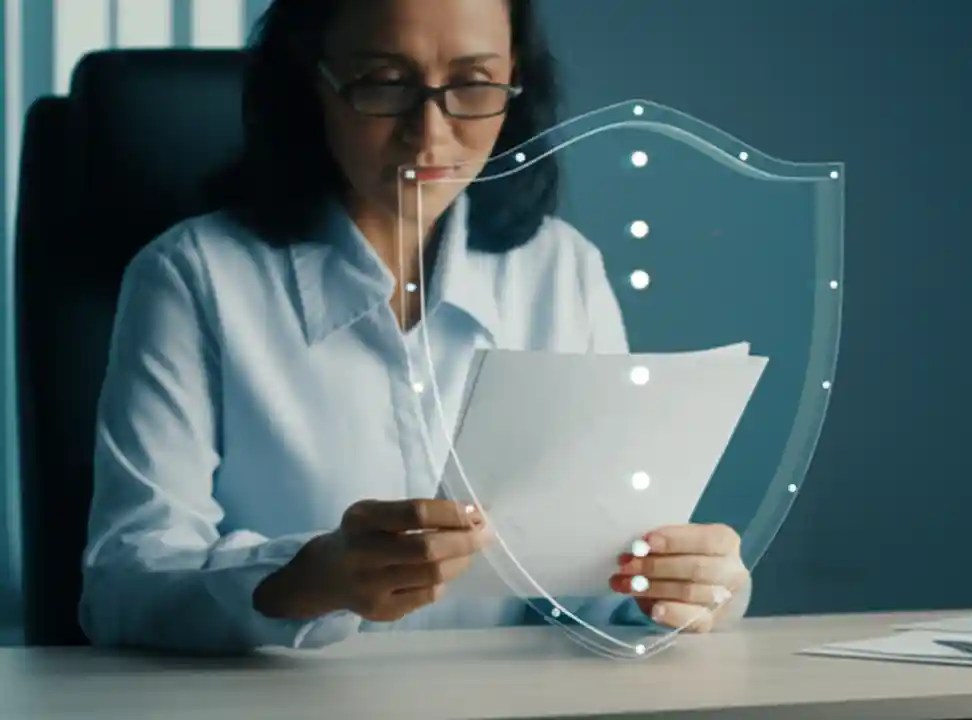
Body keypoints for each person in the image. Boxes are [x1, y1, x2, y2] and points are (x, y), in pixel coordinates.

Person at [79, 0, 751, 653]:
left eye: (473, 84)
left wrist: (675, 586)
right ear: (310, 80)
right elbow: (120, 586)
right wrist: (306, 580)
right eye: (384, 84)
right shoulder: (193, 277)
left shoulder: (562, 269)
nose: (429, 136)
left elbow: (587, 578)